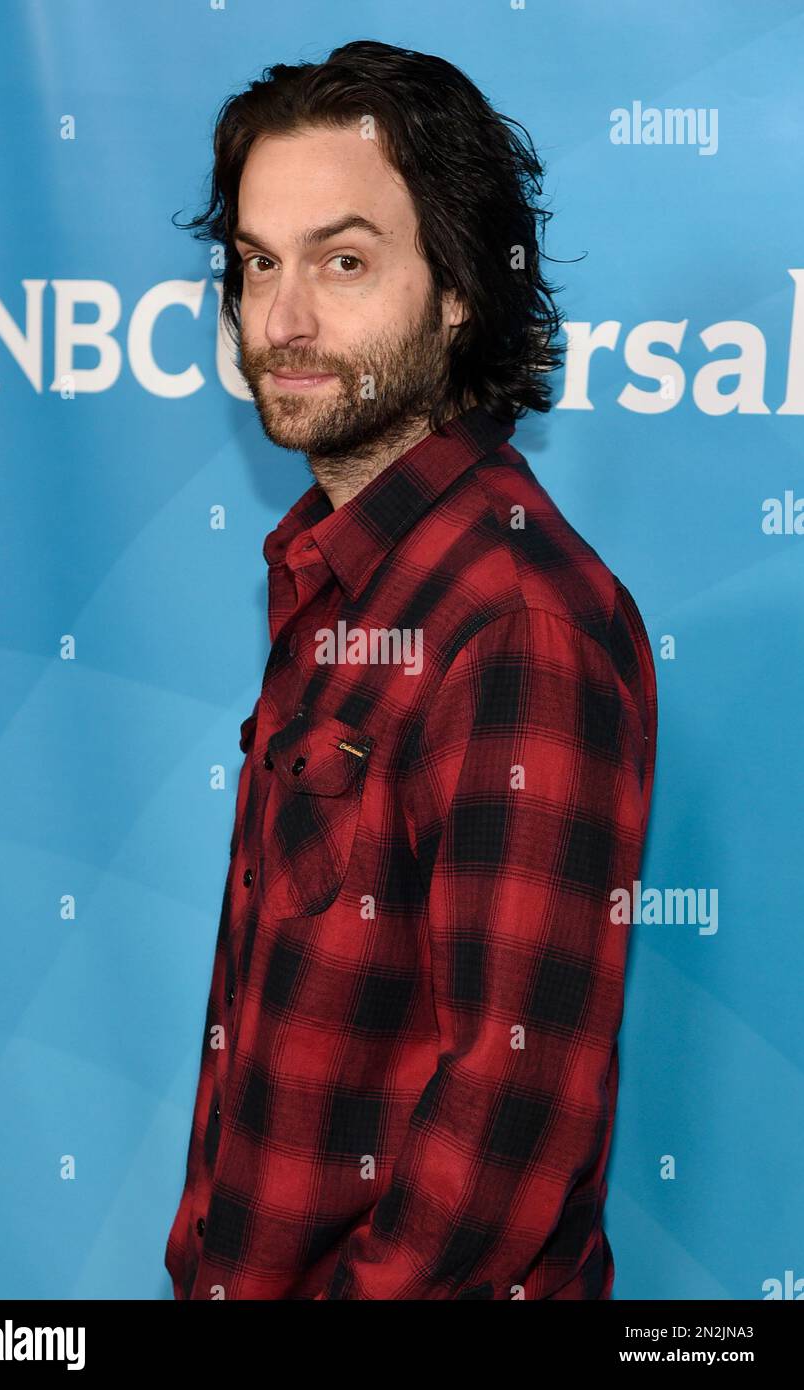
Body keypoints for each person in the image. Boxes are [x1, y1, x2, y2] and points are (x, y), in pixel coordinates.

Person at [164, 38, 657, 1300]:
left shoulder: (518, 621)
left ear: (455, 291)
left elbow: (511, 1120)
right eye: (257, 265)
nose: (280, 320)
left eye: (342, 262)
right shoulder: (333, 574)